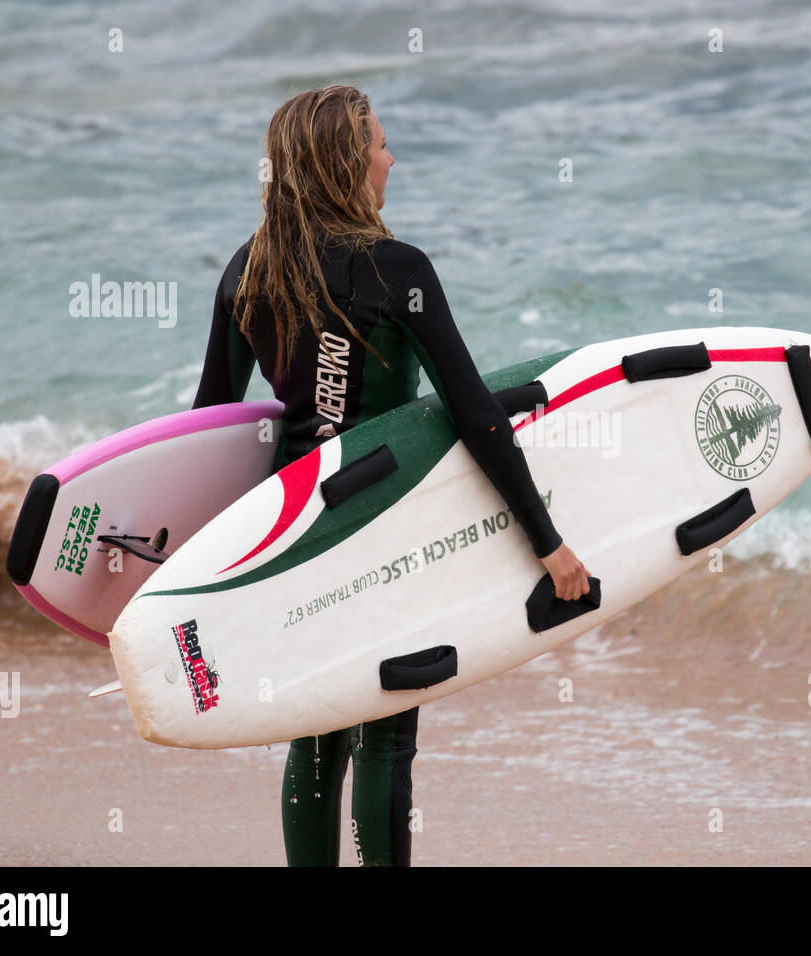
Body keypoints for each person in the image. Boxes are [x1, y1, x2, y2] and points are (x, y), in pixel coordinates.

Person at [190, 85, 591, 866]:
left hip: (292, 528)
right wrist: (547, 542)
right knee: (384, 733)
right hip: (383, 517)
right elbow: (473, 415)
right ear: (346, 163)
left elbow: (206, 428)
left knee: (314, 736)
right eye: (378, 144)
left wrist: (204, 564)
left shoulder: (251, 267)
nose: (390, 157)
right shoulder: (394, 267)